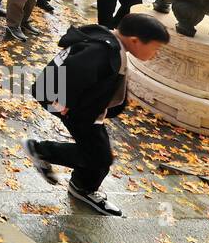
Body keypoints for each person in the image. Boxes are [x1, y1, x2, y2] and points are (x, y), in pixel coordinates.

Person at [25, 12, 170, 217]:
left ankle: (82, 185)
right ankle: (42, 151)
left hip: (84, 108)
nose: (155, 54)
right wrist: (64, 103)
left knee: (99, 153)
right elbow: (74, 71)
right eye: (155, 49)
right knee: (99, 157)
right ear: (135, 41)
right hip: (73, 108)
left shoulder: (109, 43)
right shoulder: (102, 51)